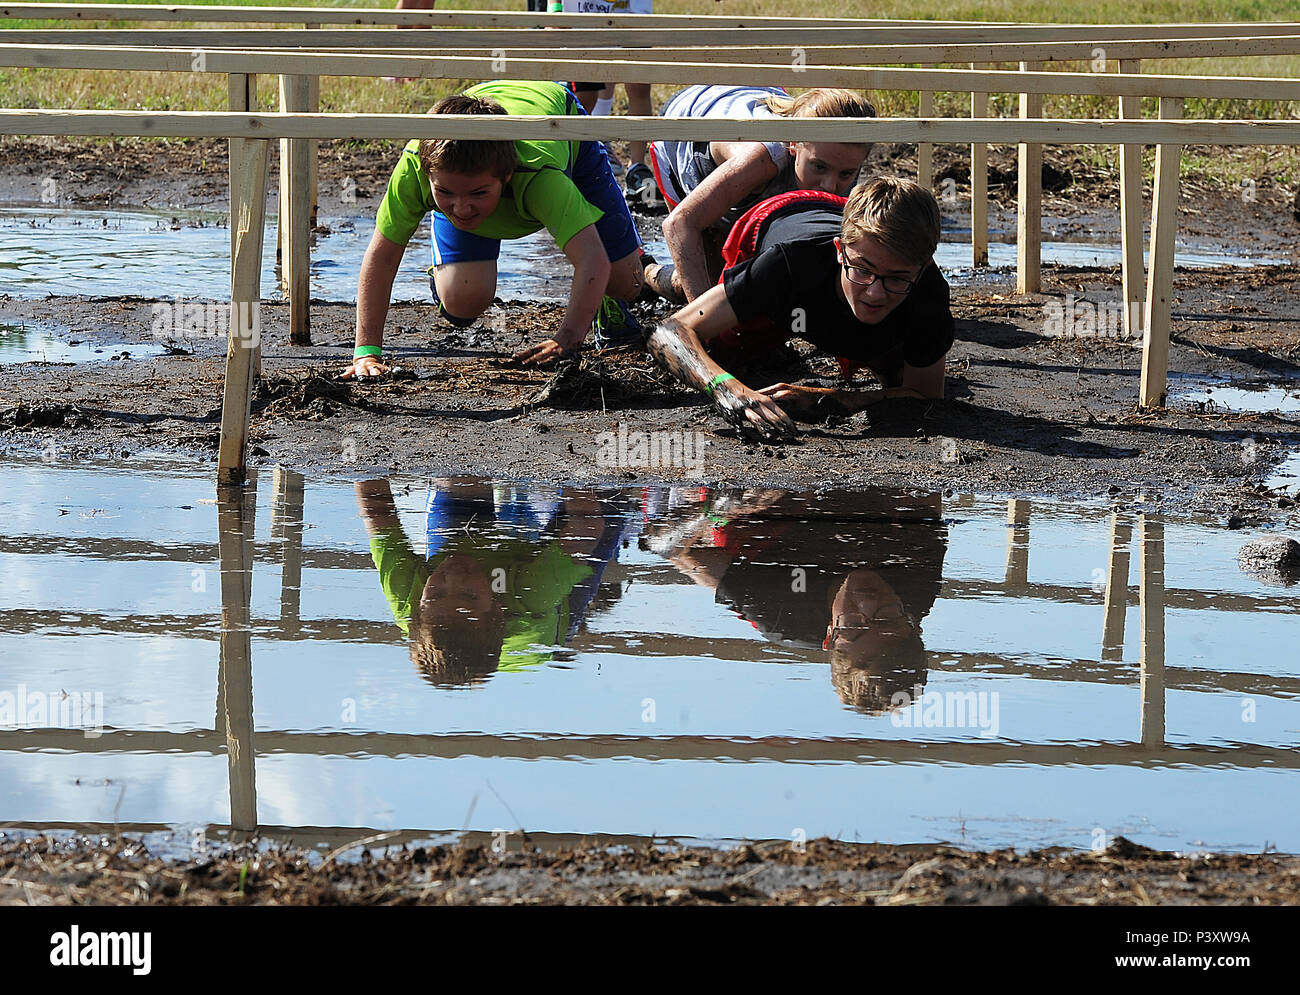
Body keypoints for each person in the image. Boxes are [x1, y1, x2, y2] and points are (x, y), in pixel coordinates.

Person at [341, 80, 645, 378]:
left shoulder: (539, 177)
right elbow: (382, 256)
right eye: (445, 193)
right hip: (479, 107)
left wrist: (568, 337)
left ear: (507, 175)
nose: (460, 208)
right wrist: (366, 352)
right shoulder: (414, 168)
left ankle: (605, 304)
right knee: (462, 301)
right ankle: (447, 266)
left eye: (477, 193)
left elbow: (592, 257)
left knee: (625, 283)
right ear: (429, 174)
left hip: (561, 122)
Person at [646, 176, 954, 442]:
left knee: (889, 368)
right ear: (840, 251)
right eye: (862, 269)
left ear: (923, 268)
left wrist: (826, 400)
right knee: (724, 350)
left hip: (835, 230)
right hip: (778, 217)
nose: (874, 292)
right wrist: (725, 387)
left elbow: (925, 396)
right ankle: (649, 272)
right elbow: (668, 332)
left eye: (897, 277)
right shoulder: (788, 265)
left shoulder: (928, 294)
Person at [643, 85, 876, 303]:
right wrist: (702, 324)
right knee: (706, 284)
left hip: (750, 97)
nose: (829, 185)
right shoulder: (762, 158)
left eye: (846, 174)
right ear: (794, 145)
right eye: (819, 167)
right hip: (687, 121)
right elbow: (680, 224)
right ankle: (645, 272)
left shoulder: (843, 151)